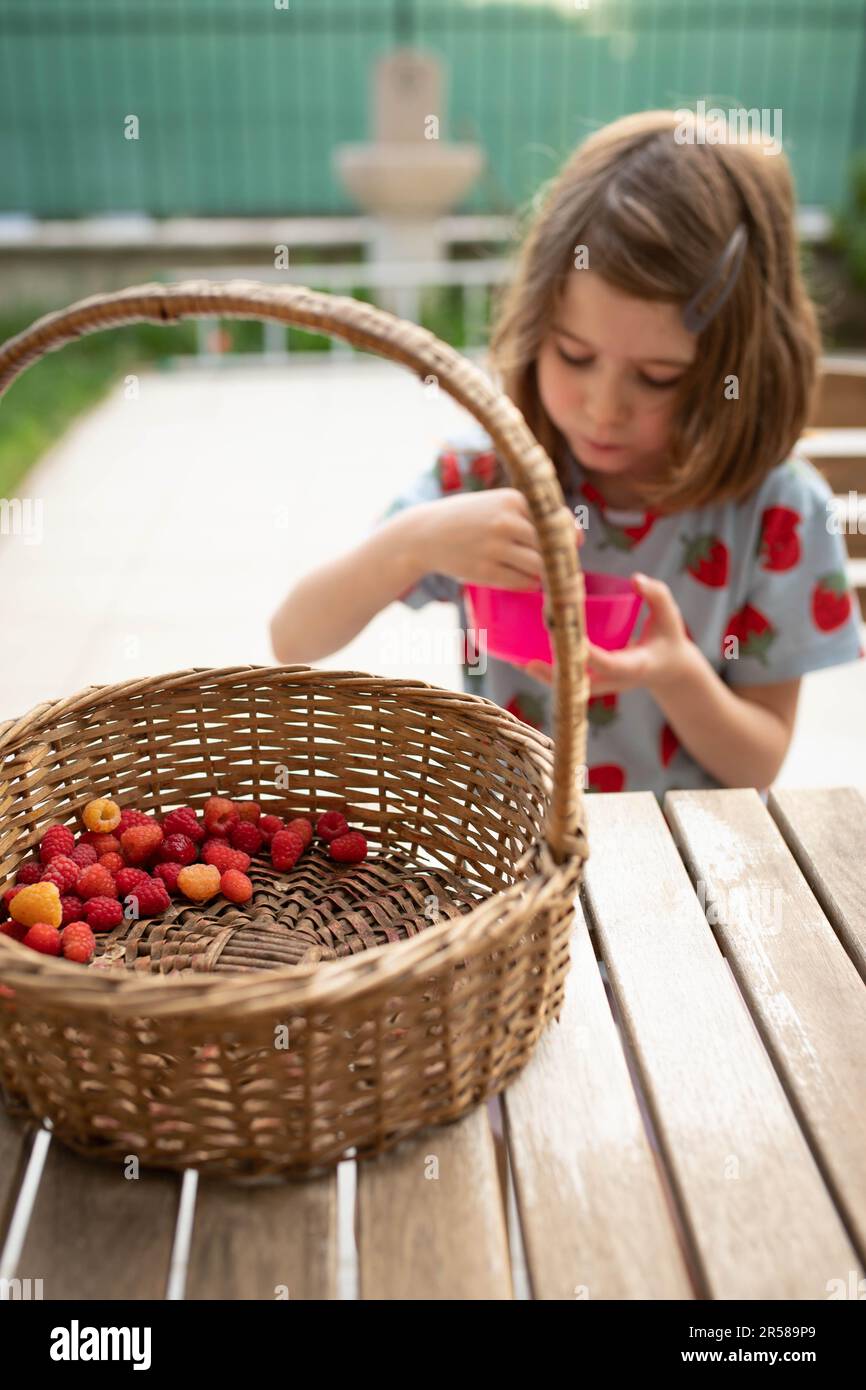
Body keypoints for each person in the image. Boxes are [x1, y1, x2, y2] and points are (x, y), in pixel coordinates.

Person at [270, 108, 864, 799]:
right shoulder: (486, 476)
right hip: (513, 859)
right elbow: (293, 637)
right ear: (535, 324)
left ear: (736, 364)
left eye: (658, 376)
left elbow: (757, 764)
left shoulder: (777, 511)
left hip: (689, 868)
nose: (603, 406)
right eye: (575, 355)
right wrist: (414, 545)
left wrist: (676, 673)